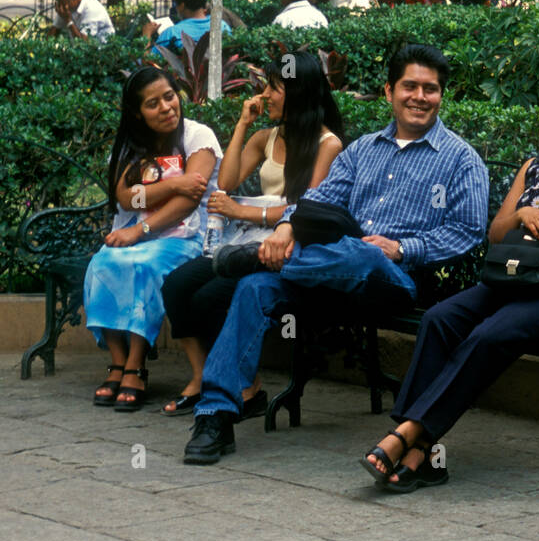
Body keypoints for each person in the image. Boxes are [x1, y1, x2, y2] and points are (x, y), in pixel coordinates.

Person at [182, 43, 489, 464]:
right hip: (328, 270)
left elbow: (469, 231)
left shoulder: (461, 160)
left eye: (431, 89)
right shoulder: (362, 150)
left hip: (397, 278)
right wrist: (289, 224)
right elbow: (318, 200)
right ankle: (215, 414)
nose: (420, 96)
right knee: (256, 287)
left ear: (441, 95)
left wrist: (402, 247)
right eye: (410, 86)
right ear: (388, 91)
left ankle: (262, 256)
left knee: (362, 256)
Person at [361, 70, 539, 492]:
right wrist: (523, 214)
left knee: (488, 336)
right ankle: (422, 451)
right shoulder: (532, 165)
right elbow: (496, 232)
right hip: (514, 278)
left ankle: (407, 439)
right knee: (439, 319)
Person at [160, 55, 344, 416]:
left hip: (289, 246)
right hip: (248, 241)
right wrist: (243, 124)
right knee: (176, 286)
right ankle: (203, 377)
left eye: (275, 88)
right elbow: (227, 182)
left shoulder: (328, 145)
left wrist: (242, 211)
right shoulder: (266, 137)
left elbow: (308, 210)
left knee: (210, 297)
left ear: (299, 92)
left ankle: (244, 386)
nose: (267, 95)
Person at [86, 67, 223, 411]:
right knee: (102, 264)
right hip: (136, 235)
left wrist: (141, 227)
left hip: (188, 236)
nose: (165, 107)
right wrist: (173, 183)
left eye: (169, 96)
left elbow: (188, 201)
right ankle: (117, 363)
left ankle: (136, 365)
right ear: (137, 113)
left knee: (144, 266)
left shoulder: (197, 136)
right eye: (152, 103)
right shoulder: (133, 145)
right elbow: (124, 198)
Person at [143, 0, 231, 54]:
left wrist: (146, 34)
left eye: (175, 4)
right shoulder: (222, 26)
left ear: (181, 6)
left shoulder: (172, 33)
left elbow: (147, 62)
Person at [48, 0, 115, 42]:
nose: (60, 5)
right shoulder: (68, 7)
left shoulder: (91, 8)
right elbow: (52, 35)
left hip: (101, 50)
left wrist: (68, 20)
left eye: (61, 2)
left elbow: (84, 44)